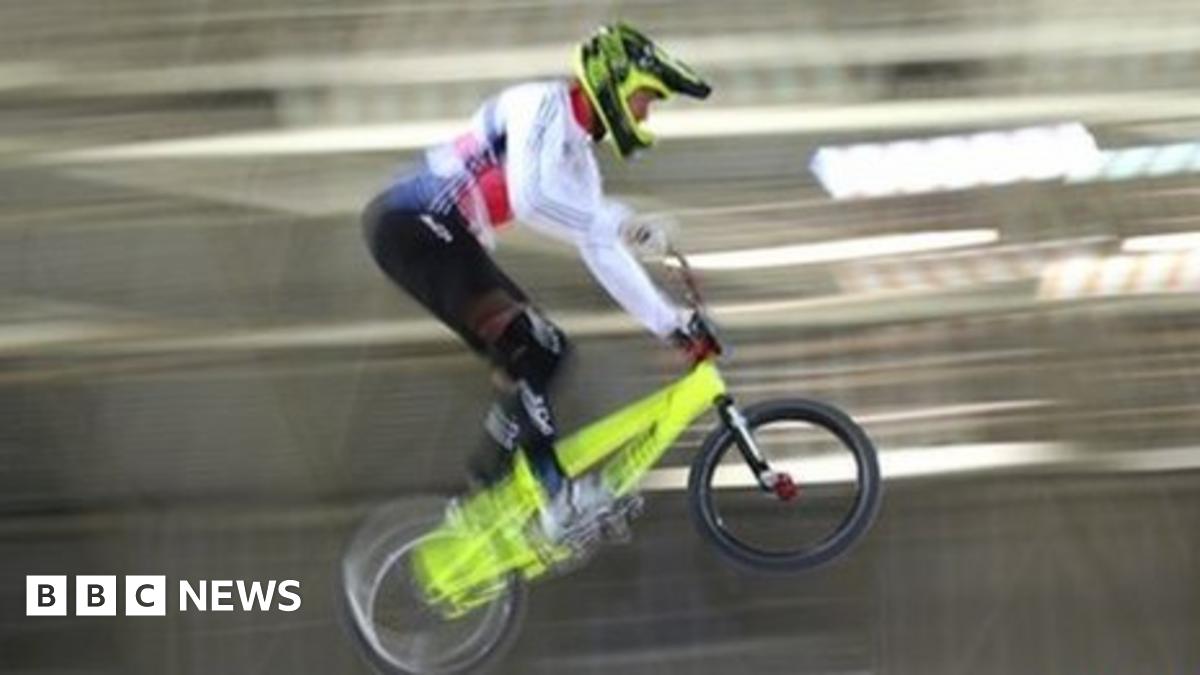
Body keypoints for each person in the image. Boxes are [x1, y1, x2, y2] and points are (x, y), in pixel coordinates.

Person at [361, 22, 717, 542]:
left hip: (432, 235)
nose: (645, 115)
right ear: (613, 83)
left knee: (543, 354)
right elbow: (533, 198)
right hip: (415, 219)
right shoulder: (541, 106)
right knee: (535, 344)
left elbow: (602, 248)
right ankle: (556, 500)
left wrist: (672, 324)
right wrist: (619, 220)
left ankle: (483, 497)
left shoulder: (578, 162)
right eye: (646, 98)